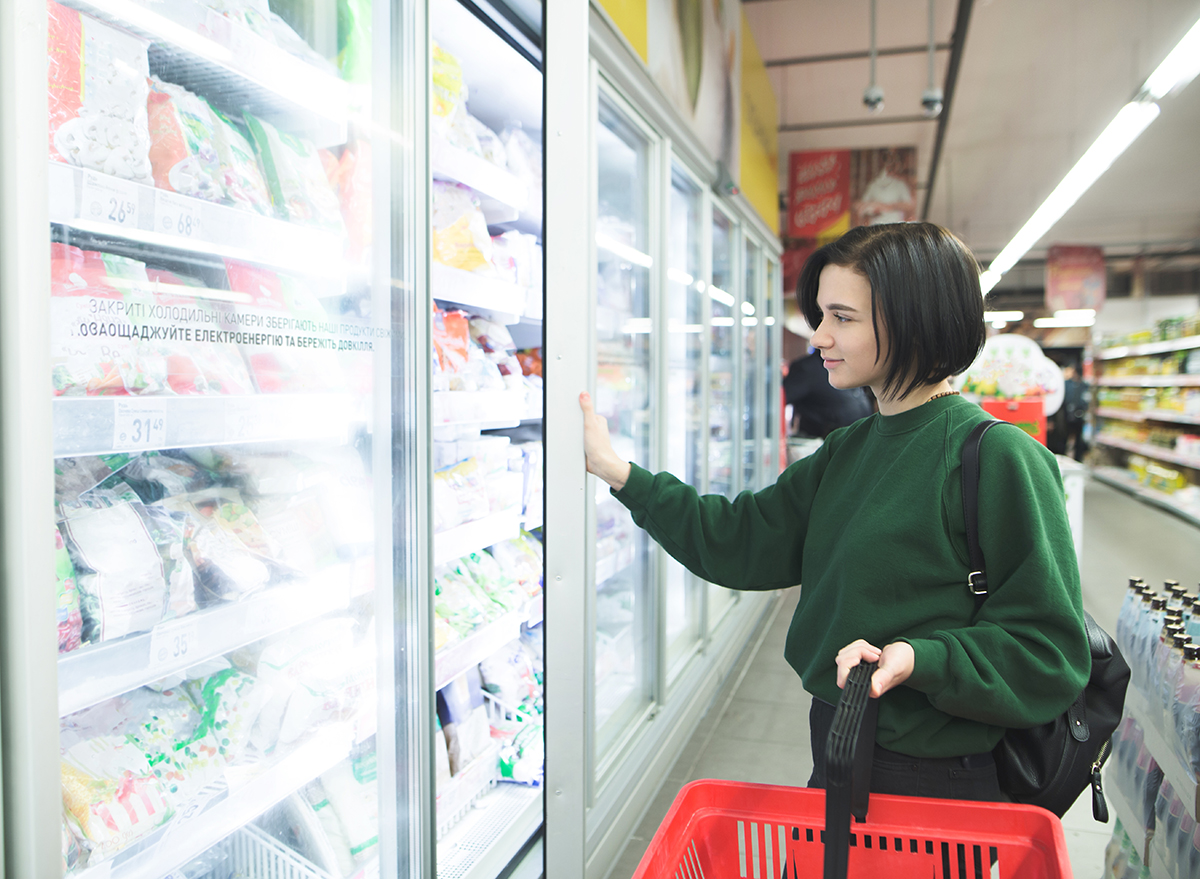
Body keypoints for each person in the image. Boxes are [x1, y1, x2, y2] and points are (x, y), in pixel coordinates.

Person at [579, 222, 1090, 803]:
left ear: (914, 321)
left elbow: (1049, 651)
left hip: (938, 774)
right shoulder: (850, 448)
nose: (819, 337)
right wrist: (620, 473)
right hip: (842, 742)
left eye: (842, 318)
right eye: (820, 316)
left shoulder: (998, 458)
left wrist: (922, 659)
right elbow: (741, 539)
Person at [783, 344, 874, 438]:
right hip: (826, 441)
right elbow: (780, 399)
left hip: (858, 438)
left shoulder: (848, 363)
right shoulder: (807, 368)